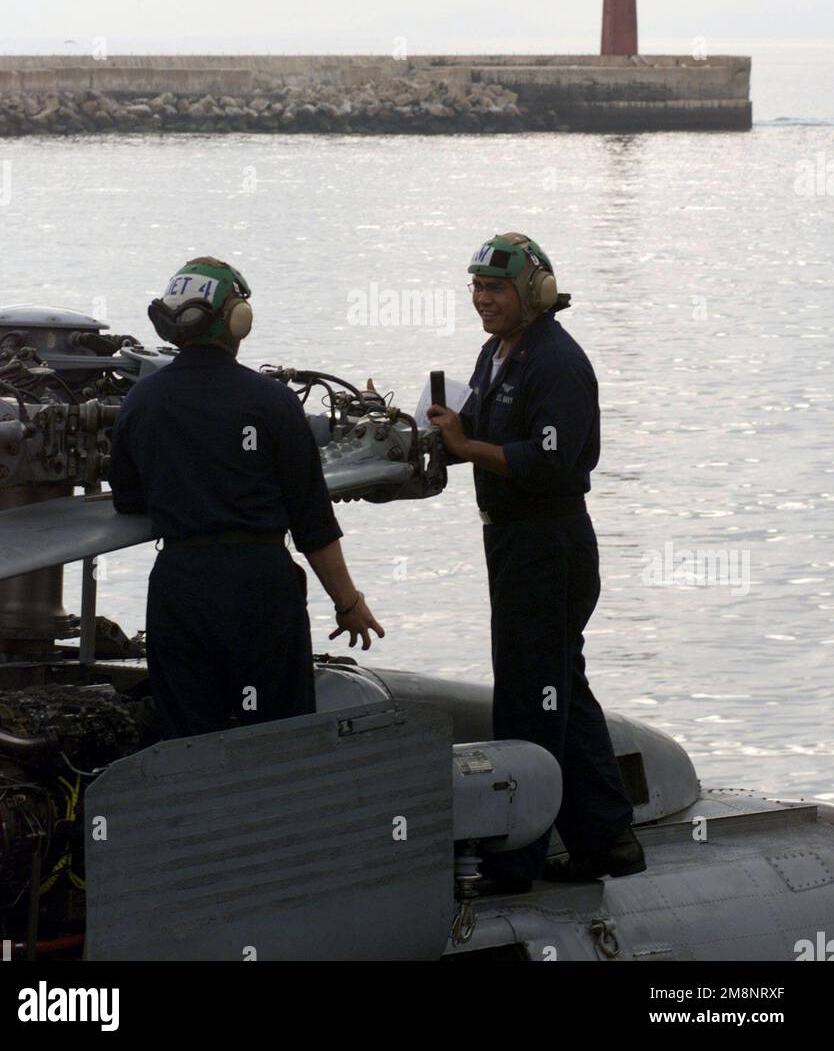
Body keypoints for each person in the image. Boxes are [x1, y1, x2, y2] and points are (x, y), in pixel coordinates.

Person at [427, 232, 644, 892]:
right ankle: (608, 841)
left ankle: (514, 861)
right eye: (476, 287)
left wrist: (466, 445)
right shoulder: (494, 353)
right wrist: (426, 427)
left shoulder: (557, 363)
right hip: (512, 542)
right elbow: (466, 430)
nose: (482, 299)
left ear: (535, 293)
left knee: (530, 698)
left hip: (548, 543)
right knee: (562, 689)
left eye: (494, 288)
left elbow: (548, 462)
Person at [109, 255, 383, 740]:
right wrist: (348, 602)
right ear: (237, 319)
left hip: (179, 587)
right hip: (259, 587)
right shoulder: (272, 402)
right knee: (274, 735)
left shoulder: (141, 400)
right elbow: (312, 523)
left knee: (188, 738)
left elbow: (129, 499)